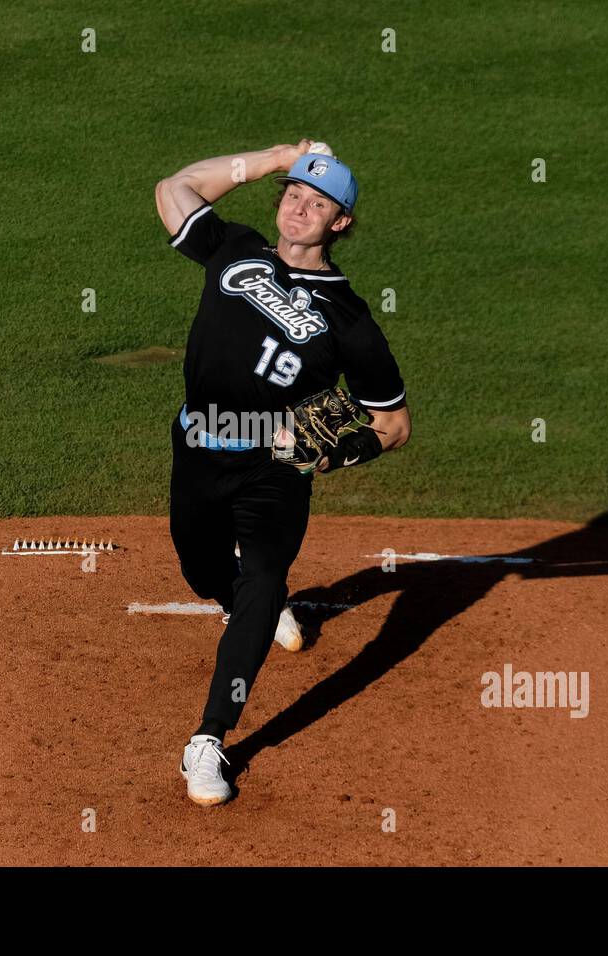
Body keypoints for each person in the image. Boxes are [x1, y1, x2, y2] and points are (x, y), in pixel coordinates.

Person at [154, 139, 412, 805]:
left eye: (317, 202)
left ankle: (208, 740)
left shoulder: (350, 319)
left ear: (341, 223)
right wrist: (271, 159)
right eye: (294, 195)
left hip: (275, 469)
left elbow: (393, 425)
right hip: (199, 450)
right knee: (208, 575)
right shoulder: (234, 247)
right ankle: (249, 604)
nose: (300, 208)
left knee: (265, 579)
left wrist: (336, 452)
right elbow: (175, 187)